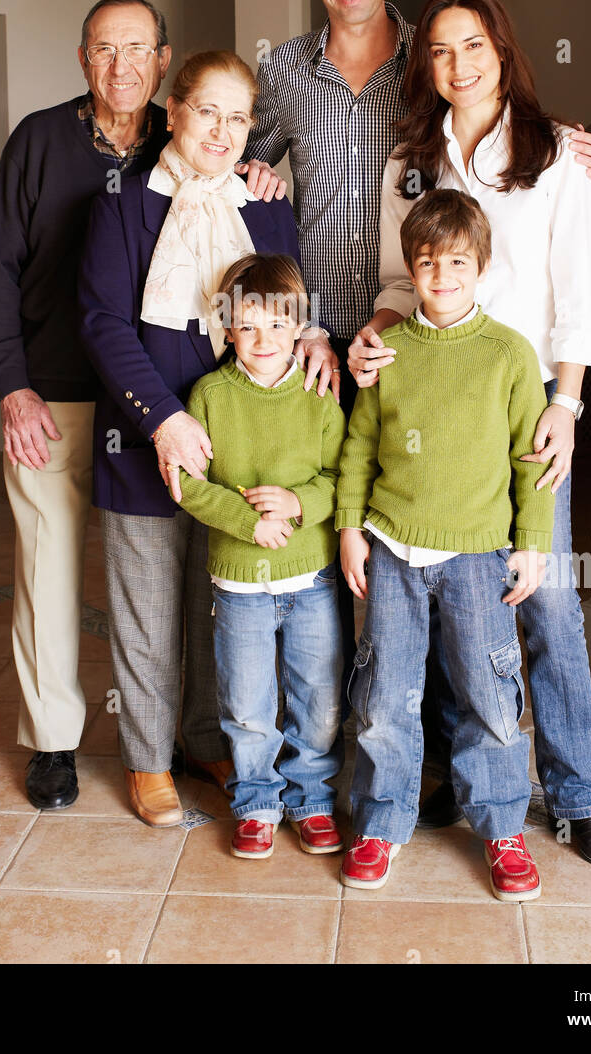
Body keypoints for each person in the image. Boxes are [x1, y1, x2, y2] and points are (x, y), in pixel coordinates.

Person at [243, 0, 591, 678]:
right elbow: (244, 166)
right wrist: (245, 185)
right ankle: (370, 742)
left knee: (488, 567)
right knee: (369, 549)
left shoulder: (471, 93)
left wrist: (566, 404)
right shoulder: (300, 84)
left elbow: (571, 282)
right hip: (344, 349)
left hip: (471, 365)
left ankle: (511, 767)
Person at [349, 0, 591, 875]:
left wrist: (567, 402)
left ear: (502, 50)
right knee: (436, 595)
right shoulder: (409, 155)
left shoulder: (556, 154)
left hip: (524, 406)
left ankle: (578, 798)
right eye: (437, 49)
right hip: (431, 406)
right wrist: (371, 336)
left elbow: (579, 291)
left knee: (541, 596)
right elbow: (398, 284)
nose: (456, 64)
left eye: (471, 45)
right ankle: (452, 781)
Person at [0, 0, 284, 813]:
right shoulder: (41, 141)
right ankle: (55, 743)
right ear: (84, 59)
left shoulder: (191, 145)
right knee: (52, 564)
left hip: (179, 403)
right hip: (55, 391)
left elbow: (270, 286)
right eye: (105, 50)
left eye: (137, 50)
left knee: (200, 587)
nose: (121, 66)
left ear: (161, 65)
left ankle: (195, 740)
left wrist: (260, 176)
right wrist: (11, 384)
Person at [77, 51, 330, 828]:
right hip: (145, 440)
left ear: (252, 128)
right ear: (174, 111)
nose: (221, 130)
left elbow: (285, 316)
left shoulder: (266, 208)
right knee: (149, 614)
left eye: (237, 116)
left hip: (246, 448)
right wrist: (164, 418)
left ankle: (201, 742)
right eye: (206, 111)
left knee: (218, 603)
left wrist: (314, 337)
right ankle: (149, 760)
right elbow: (103, 325)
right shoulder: (121, 205)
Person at [337, 190, 554, 898]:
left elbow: (532, 459)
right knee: (384, 697)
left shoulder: (509, 355)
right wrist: (348, 528)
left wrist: (532, 543)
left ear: (481, 266)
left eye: (457, 261)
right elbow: (359, 447)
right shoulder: (387, 351)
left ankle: (501, 832)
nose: (441, 275)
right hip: (393, 550)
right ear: (411, 267)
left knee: (489, 699)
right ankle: (380, 824)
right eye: (427, 262)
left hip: (478, 557)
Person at [177, 252, 346, 860]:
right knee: (247, 704)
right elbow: (189, 485)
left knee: (318, 697)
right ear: (227, 328)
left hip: (313, 579)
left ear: (300, 327)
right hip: (239, 584)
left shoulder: (318, 391)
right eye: (247, 326)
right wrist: (248, 521)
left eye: (278, 325)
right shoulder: (208, 396)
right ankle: (255, 801)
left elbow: (339, 476)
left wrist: (297, 505)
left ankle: (313, 797)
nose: (263, 339)